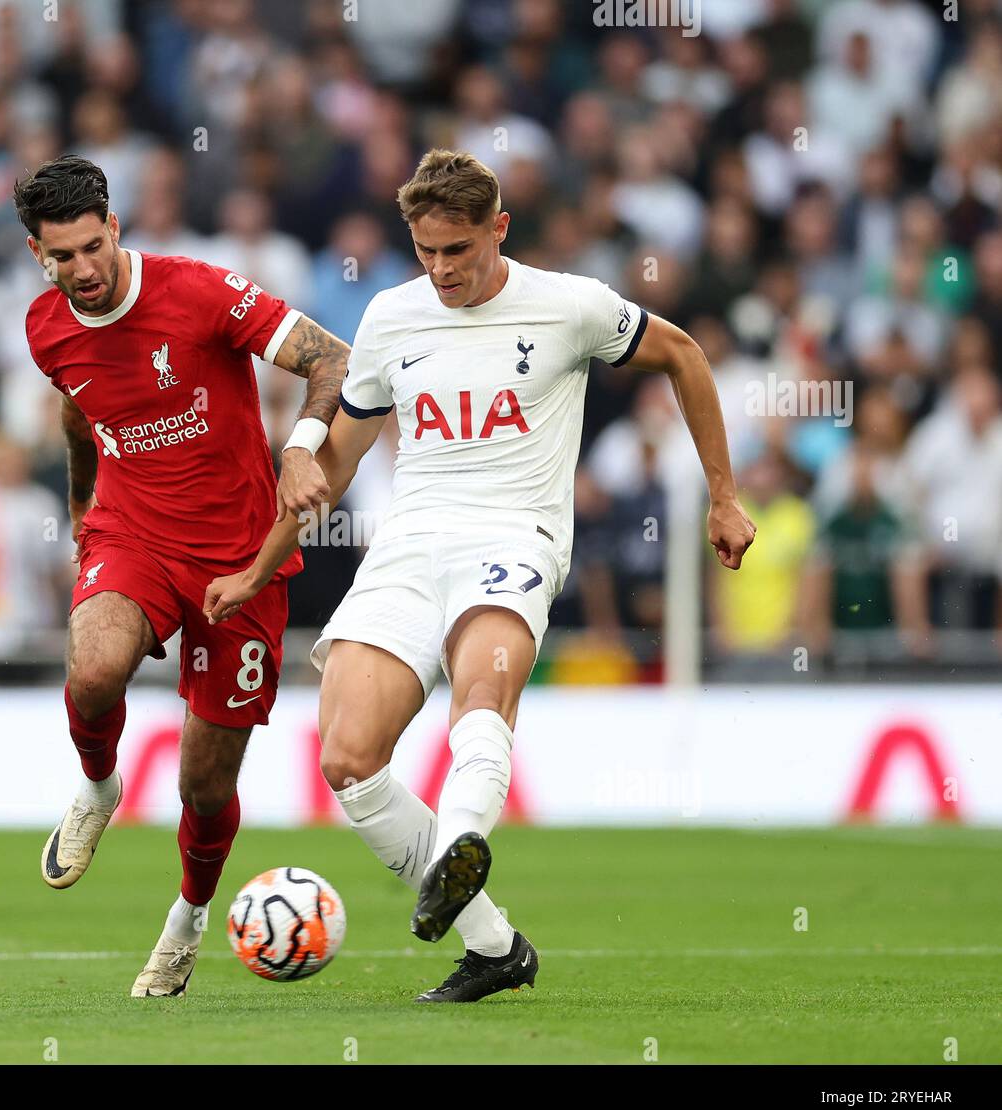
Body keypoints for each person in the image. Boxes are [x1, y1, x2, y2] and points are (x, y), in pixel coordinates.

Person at [205, 149, 756, 1003]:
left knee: (479, 693)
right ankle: (494, 944)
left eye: (457, 249)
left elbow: (682, 354)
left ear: (498, 228)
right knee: (348, 756)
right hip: (410, 543)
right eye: (426, 251)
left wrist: (724, 496)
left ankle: (462, 839)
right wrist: (257, 566)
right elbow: (339, 460)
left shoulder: (571, 304)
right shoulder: (391, 317)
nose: (442, 269)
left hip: (516, 537)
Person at [15, 156, 349, 997]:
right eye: (63, 258)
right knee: (93, 672)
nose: (83, 270)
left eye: (93, 247)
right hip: (132, 535)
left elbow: (334, 360)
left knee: (204, 783)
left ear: (115, 228)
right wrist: (83, 505)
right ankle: (98, 786)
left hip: (241, 556)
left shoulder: (199, 292)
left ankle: (189, 919)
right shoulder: (45, 327)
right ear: (37, 255)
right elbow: (78, 406)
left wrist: (300, 449)